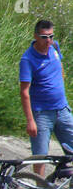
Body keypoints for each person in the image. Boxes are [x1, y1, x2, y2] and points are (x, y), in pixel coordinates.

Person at [19, 19, 73, 178]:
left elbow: (60, 64)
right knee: (40, 155)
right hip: (41, 113)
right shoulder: (28, 59)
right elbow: (24, 92)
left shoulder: (54, 47)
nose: (48, 40)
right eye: (44, 37)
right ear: (36, 36)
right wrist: (30, 120)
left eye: (51, 36)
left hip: (62, 109)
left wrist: (59, 79)